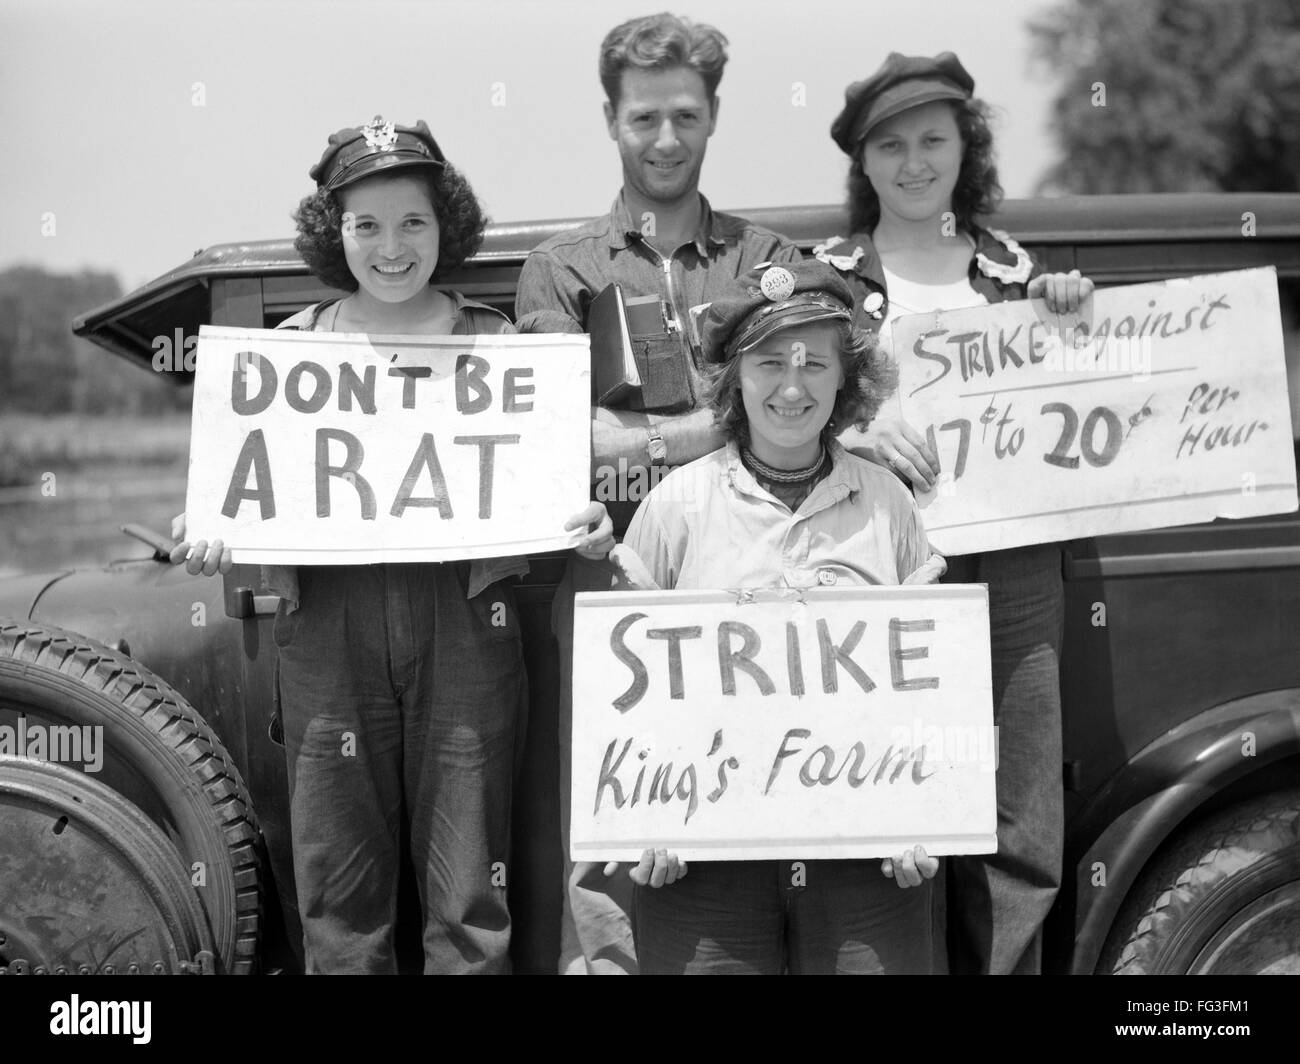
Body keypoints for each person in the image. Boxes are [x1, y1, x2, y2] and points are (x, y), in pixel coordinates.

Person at [172, 117, 614, 974]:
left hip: (468, 626)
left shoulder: (503, 350)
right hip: (327, 633)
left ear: (445, 224)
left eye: (412, 220)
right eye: (365, 224)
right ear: (333, 235)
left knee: (468, 897)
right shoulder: (287, 354)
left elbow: (555, 492)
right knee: (338, 893)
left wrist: (584, 519)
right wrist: (207, 524)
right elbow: (238, 483)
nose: (391, 246)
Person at [514, 12, 801, 975]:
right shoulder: (559, 270)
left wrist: (644, 439)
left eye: (685, 115)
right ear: (611, 119)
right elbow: (558, 437)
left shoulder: (776, 264)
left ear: (714, 115)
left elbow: (807, 413)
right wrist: (724, 426)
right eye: (645, 118)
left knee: (754, 806)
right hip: (610, 577)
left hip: (756, 576)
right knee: (610, 828)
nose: (666, 138)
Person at [817, 53, 1095, 975]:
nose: (913, 162)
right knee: (894, 793)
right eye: (888, 145)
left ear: (964, 147)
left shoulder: (1016, 273)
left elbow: (1089, 403)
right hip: (876, 563)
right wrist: (854, 430)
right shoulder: (826, 279)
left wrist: (1073, 315)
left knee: (1019, 803)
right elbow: (784, 405)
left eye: (932, 139)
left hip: (1014, 566)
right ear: (863, 163)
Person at [618, 259, 945, 974]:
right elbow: (626, 690)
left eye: (814, 365)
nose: (792, 388)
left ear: (847, 378)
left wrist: (925, 811)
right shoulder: (674, 508)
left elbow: (928, 684)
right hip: (705, 856)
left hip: (866, 851)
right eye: (768, 363)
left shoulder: (890, 504)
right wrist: (643, 819)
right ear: (733, 377)